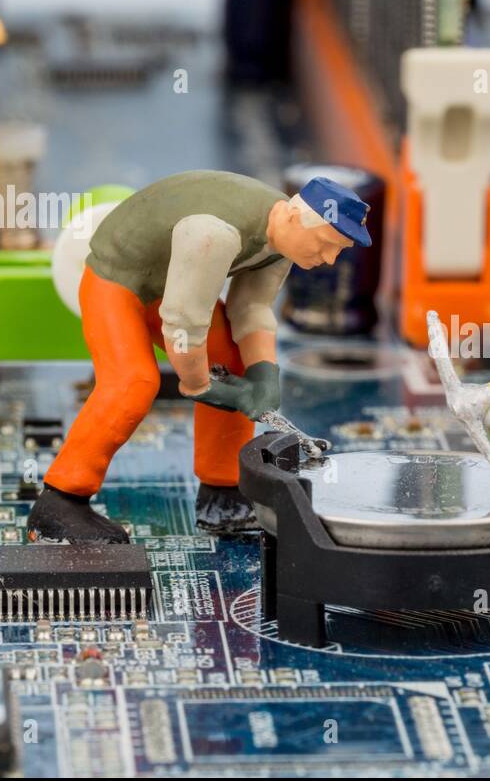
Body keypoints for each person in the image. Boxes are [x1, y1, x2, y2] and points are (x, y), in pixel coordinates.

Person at [28, 169, 371, 543]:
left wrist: (262, 373)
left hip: (166, 283)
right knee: (132, 382)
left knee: (233, 358)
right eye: (326, 243)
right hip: (117, 278)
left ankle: (223, 496)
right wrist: (200, 384)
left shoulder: (285, 240)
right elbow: (183, 323)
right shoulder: (215, 234)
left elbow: (251, 307)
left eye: (339, 249)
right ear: (294, 216)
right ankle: (59, 503)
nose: (330, 259)